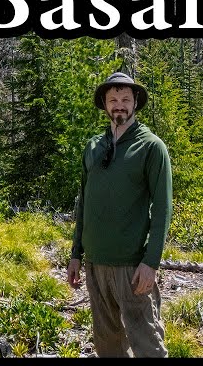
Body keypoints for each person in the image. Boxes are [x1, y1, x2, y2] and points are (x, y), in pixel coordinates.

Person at [68, 71, 173, 357]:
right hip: (95, 264)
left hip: (133, 267)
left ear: (136, 103)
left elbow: (163, 208)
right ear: (104, 103)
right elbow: (84, 203)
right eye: (113, 99)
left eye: (126, 99)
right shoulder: (94, 147)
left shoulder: (151, 147)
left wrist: (151, 262)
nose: (119, 105)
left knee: (148, 345)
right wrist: (76, 253)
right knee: (108, 345)